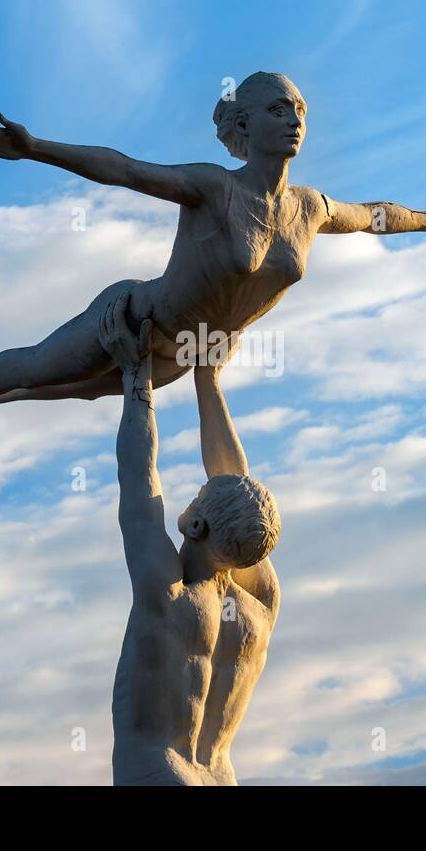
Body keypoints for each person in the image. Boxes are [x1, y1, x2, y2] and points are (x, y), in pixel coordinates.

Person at [0, 71, 426, 420]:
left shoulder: (310, 208)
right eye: (279, 109)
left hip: (190, 351)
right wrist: (36, 149)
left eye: (301, 110)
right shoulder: (212, 186)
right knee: (40, 367)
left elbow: (374, 216)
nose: (295, 119)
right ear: (245, 125)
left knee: (77, 393)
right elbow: (125, 169)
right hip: (135, 317)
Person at [98, 290, 279, 785]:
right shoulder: (260, 609)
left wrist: (136, 376)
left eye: (200, 495)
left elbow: (139, 476)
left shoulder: (168, 593)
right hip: (219, 776)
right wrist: (208, 377)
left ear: (194, 524)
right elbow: (238, 488)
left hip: (161, 771)